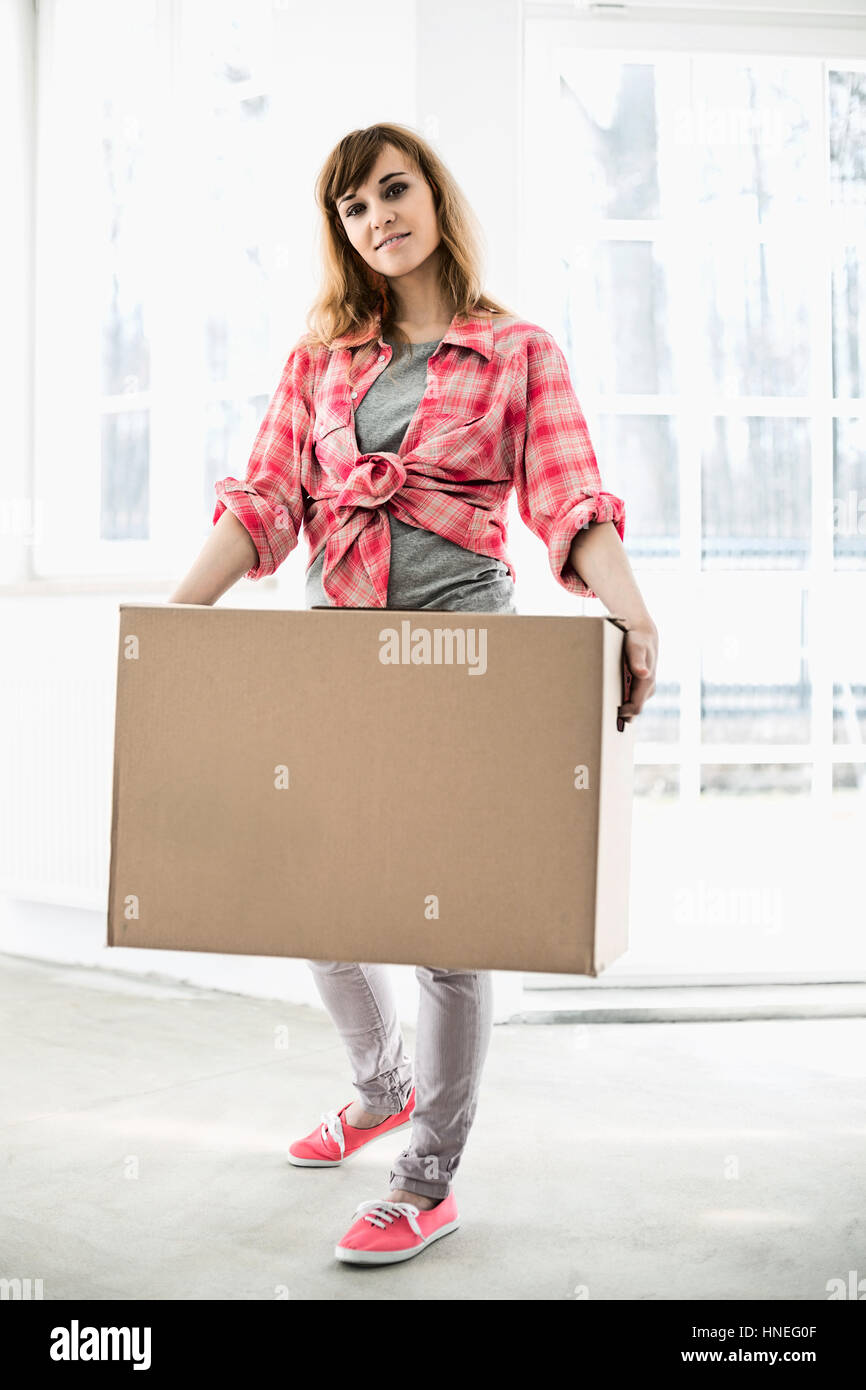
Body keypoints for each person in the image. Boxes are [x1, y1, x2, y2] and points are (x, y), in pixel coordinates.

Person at [168, 121, 659, 1267]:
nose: (377, 216)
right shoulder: (321, 358)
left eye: (393, 190)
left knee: (445, 928)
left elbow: (571, 499)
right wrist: (168, 629)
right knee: (316, 897)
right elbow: (263, 505)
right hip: (336, 653)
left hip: (461, 658)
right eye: (352, 207)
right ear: (340, 230)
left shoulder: (517, 351)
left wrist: (632, 611)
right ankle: (379, 1082)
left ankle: (425, 1180)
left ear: (433, 196)